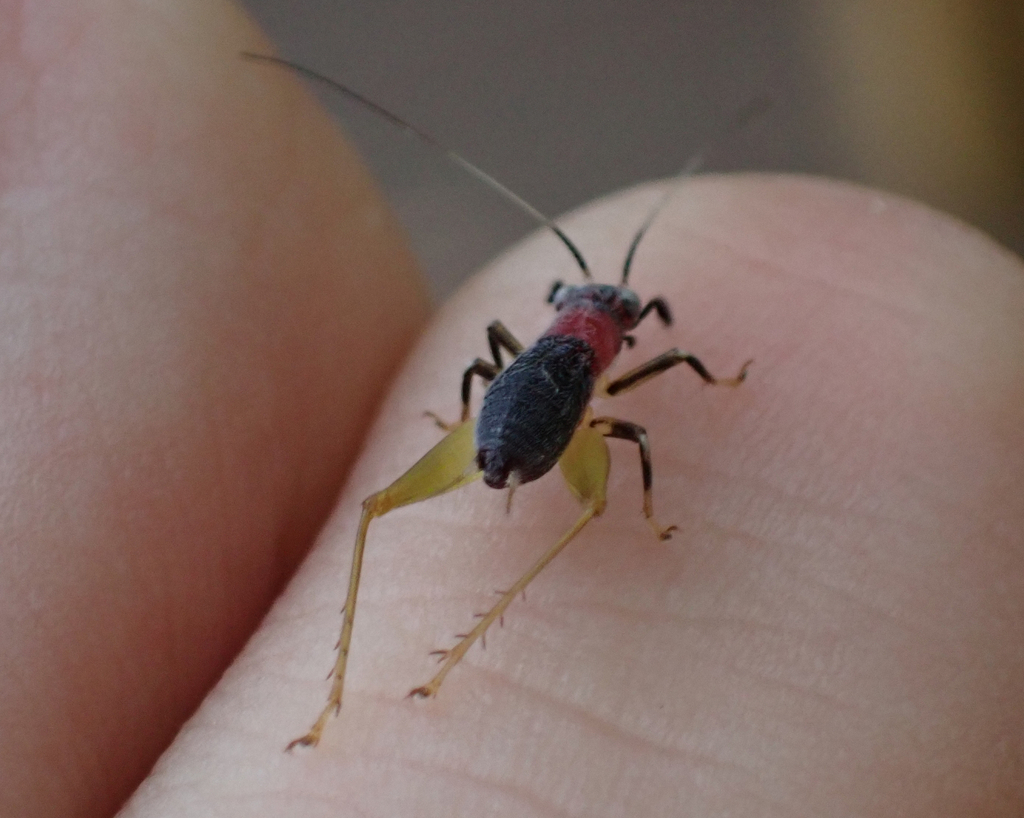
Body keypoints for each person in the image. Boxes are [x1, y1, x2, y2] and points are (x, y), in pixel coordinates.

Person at [2, 3, 1022, 817]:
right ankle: (390, 675)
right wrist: (655, 481)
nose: (602, 314)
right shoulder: (613, 363)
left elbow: (517, 367)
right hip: (527, 429)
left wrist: (487, 421)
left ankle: (362, 685)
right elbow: (665, 382)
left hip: (507, 425)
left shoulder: (539, 339)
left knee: (482, 498)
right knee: (594, 495)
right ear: (612, 326)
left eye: (601, 311)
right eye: (606, 311)